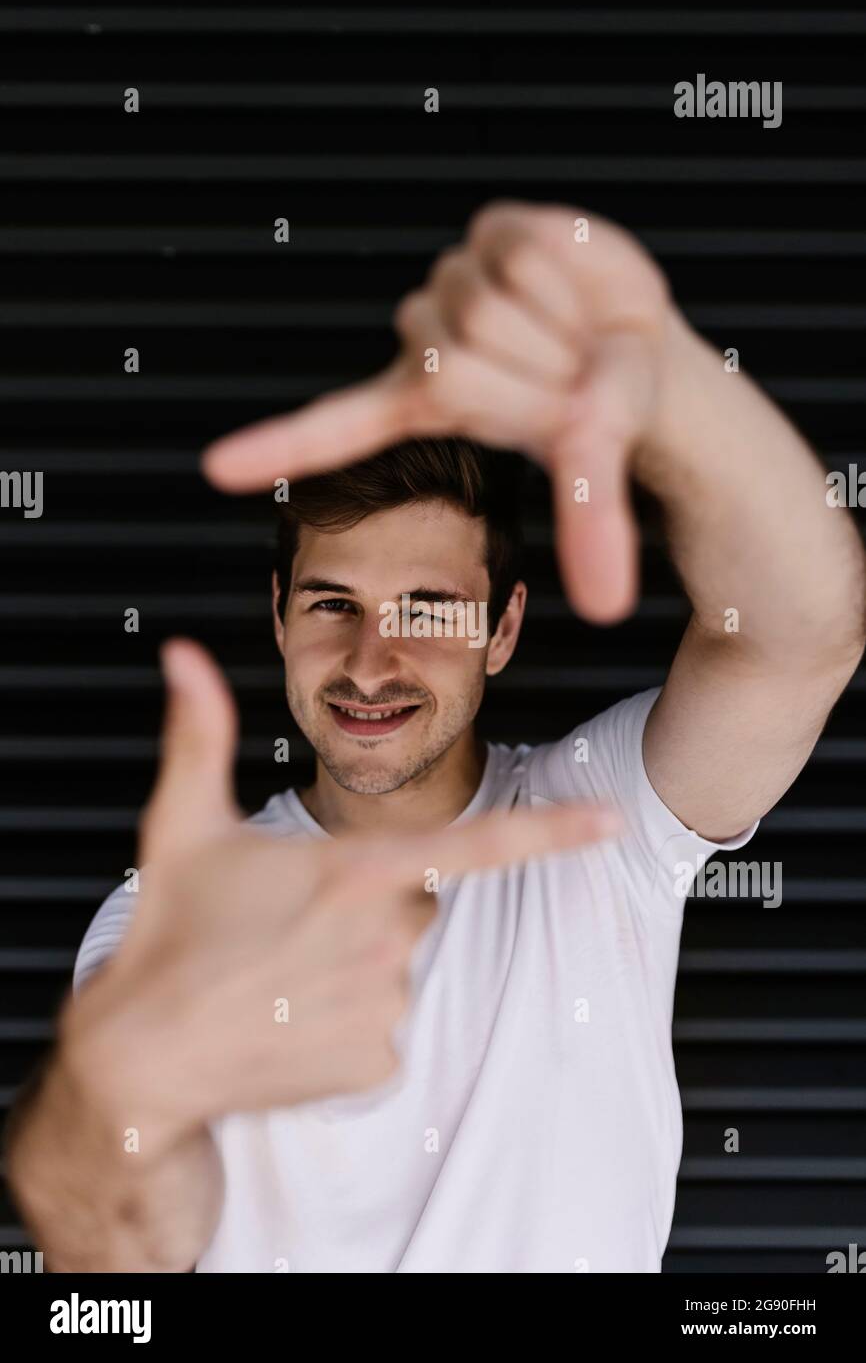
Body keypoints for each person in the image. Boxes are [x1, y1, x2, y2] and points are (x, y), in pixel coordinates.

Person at [6, 201, 865, 1274]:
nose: (371, 661)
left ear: (501, 628)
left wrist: (667, 386)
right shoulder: (176, 909)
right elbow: (112, 1250)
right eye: (332, 604)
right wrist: (113, 1096)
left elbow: (799, 639)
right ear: (277, 615)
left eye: (425, 609)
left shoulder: (599, 821)